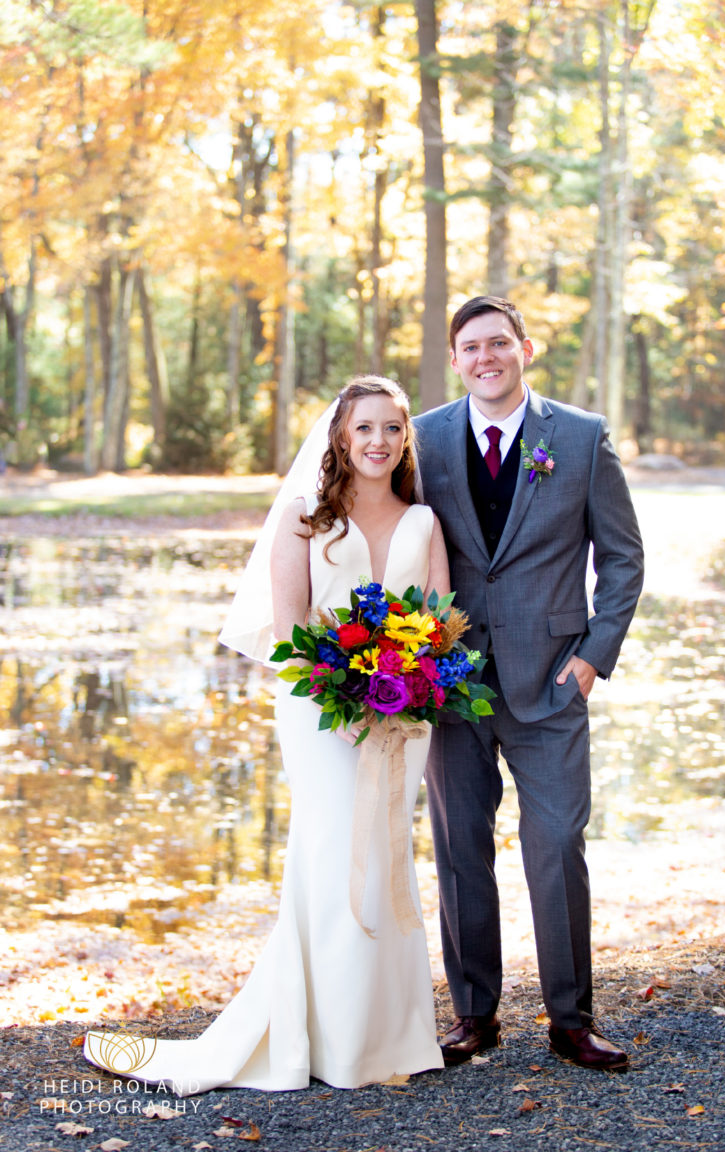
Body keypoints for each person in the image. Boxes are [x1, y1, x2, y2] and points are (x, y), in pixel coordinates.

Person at [84, 376, 450, 1093]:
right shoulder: (305, 518)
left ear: (406, 439)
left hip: (405, 715)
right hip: (320, 712)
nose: (379, 442)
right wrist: (344, 702)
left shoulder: (423, 522)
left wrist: (412, 691)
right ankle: (329, 1041)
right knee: (335, 849)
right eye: (366, 428)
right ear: (341, 437)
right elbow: (290, 630)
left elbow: (436, 618)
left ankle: (390, 1037)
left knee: (385, 854)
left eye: (393, 429)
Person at [414, 296, 644, 1072]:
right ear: (456, 358)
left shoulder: (579, 438)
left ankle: (570, 1018)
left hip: (551, 682)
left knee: (555, 845)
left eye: (500, 344)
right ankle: (473, 1014)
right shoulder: (423, 439)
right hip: (451, 683)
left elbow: (622, 558)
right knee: (459, 850)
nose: (487, 357)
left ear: (526, 348)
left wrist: (591, 659)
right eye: (472, 346)